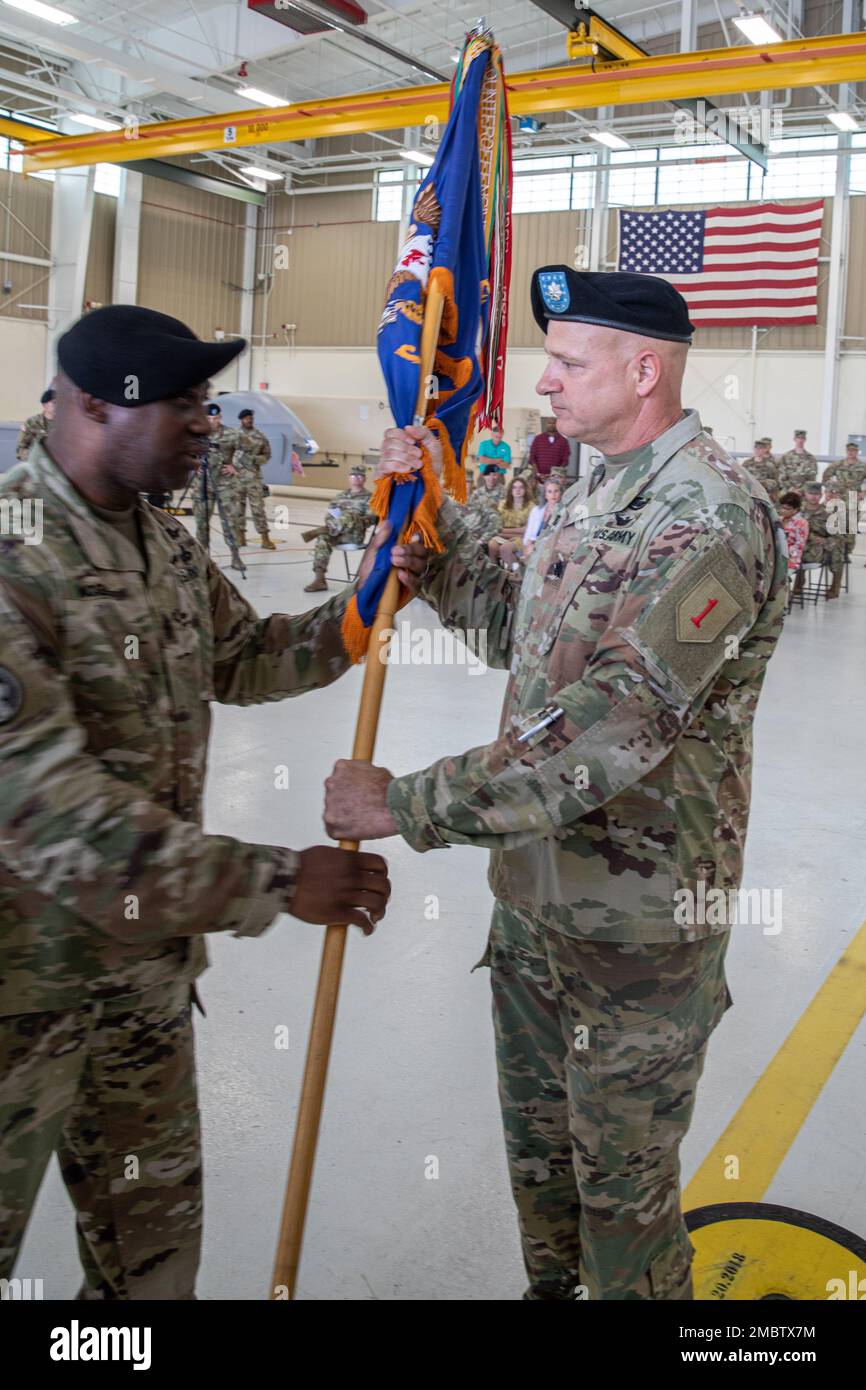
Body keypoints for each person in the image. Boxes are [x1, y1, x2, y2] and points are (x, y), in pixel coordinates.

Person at [323, 265, 788, 1301]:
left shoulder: (710, 515)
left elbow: (609, 723)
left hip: (634, 945)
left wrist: (403, 803)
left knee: (622, 1220)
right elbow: (518, 635)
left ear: (644, 369)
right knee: (544, 1192)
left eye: (567, 363)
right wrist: (426, 531)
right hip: (533, 915)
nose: (543, 384)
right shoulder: (586, 499)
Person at [0, 305, 392, 1301]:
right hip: (20, 997)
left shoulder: (161, 544)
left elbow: (247, 657)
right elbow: (57, 816)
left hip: (138, 988)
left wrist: (368, 602)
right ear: (93, 405)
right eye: (184, 405)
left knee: (152, 1275)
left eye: (208, 405)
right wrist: (276, 878)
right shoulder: (16, 558)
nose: (209, 427)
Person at [302, 463, 377, 593]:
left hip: (354, 535)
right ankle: (319, 579)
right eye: (354, 475)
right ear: (349, 478)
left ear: (364, 479)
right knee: (323, 537)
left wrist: (354, 518)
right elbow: (330, 515)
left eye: (360, 476)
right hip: (337, 535)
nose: (356, 478)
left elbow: (372, 519)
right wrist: (335, 523)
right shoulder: (340, 496)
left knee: (349, 515)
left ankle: (323, 529)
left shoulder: (370, 498)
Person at [192, 403, 242, 567]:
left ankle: (235, 556)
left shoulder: (232, 434)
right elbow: (185, 451)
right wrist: (194, 465)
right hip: (203, 484)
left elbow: (248, 450)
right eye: (209, 418)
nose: (213, 421)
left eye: (216, 418)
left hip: (225, 485)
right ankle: (203, 557)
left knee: (230, 522)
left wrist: (236, 465)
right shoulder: (197, 434)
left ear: (220, 417)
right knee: (201, 522)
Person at [232, 407, 276, 550]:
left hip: (253, 478)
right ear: (241, 420)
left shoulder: (260, 436)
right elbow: (225, 454)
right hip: (237, 477)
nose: (249, 420)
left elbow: (267, 455)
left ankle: (265, 538)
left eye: (251, 418)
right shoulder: (233, 435)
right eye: (246, 418)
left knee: (258, 508)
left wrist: (254, 459)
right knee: (238, 508)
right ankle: (240, 536)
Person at [797, 480, 846, 599]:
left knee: (836, 549)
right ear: (805, 494)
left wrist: (825, 541)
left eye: (817, 494)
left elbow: (838, 535)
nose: (814, 497)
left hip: (817, 548)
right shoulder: (797, 510)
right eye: (810, 493)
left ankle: (835, 585)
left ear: (821, 495)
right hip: (797, 544)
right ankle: (797, 583)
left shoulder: (828, 513)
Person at [487, 475, 533, 568]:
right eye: (514, 487)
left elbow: (526, 531)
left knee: (505, 548)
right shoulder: (503, 504)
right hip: (506, 536)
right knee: (491, 545)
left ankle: (517, 574)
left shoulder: (531, 506)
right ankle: (496, 574)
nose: (517, 490)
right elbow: (496, 527)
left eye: (521, 487)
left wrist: (502, 532)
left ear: (525, 490)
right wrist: (518, 531)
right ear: (511, 490)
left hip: (521, 539)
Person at [462, 465, 505, 544]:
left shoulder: (505, 492)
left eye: (494, 475)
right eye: (488, 475)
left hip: (492, 527)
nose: (491, 478)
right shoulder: (477, 493)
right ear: (484, 476)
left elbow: (498, 517)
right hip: (473, 531)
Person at [522, 476, 563, 557]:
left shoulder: (564, 511)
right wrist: (529, 544)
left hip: (553, 546)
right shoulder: (536, 510)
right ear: (545, 495)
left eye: (556, 491)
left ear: (561, 493)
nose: (553, 495)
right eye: (549, 492)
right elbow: (528, 534)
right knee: (529, 551)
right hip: (535, 545)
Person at [16, 387, 55, 461]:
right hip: (36, 466)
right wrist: (36, 459)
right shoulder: (32, 422)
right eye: (55, 402)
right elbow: (21, 449)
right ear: (45, 405)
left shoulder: (65, 424)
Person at [528, 414, 570, 482]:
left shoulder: (563, 441)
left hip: (555, 479)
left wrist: (555, 474)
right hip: (538, 478)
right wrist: (538, 474)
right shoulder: (538, 439)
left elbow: (565, 460)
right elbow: (532, 458)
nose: (551, 425)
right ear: (546, 424)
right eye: (549, 423)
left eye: (553, 423)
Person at [778, 491, 809, 574]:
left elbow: (799, 545)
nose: (783, 511)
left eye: (787, 509)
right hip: (775, 556)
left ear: (796, 509)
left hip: (790, 559)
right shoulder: (779, 520)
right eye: (782, 507)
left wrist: (786, 554)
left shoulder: (801, 523)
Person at [741, 438, 779, 503]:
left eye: (760, 449)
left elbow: (775, 483)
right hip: (750, 495)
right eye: (756, 448)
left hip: (765, 496)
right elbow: (741, 479)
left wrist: (774, 497)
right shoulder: (746, 464)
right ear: (753, 449)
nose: (758, 450)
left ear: (765, 450)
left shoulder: (769, 465)